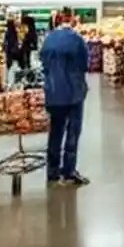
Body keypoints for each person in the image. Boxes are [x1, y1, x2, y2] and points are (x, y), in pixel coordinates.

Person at [41, 11, 90, 186]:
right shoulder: (77, 39)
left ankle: (52, 171)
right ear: (72, 20)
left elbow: (43, 63)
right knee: (73, 131)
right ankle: (69, 171)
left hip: (53, 92)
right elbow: (85, 65)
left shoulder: (48, 39)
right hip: (73, 92)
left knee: (55, 131)